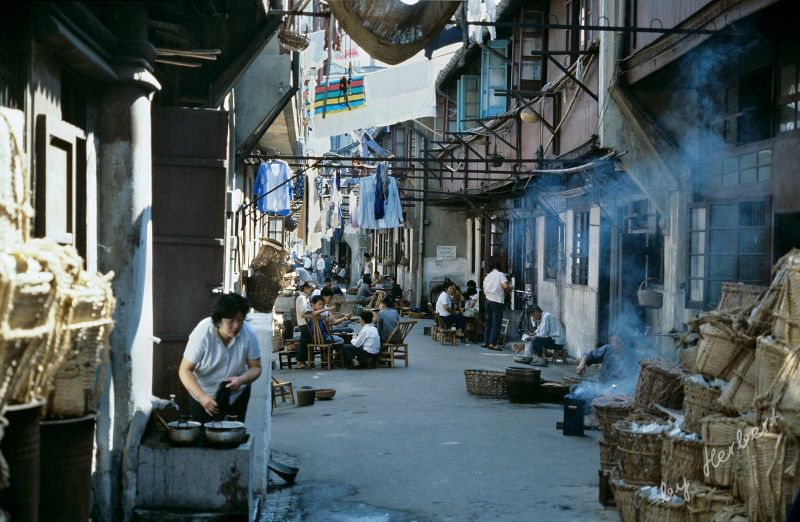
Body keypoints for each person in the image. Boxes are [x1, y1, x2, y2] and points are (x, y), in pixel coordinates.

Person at [178, 293, 262, 423]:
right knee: (202, 438)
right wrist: (202, 397)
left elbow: (256, 367)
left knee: (233, 437)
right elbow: (184, 370)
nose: (236, 325)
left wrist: (241, 379)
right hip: (202, 393)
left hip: (236, 394)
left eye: (240, 319)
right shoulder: (203, 333)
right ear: (218, 320)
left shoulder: (249, 334)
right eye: (230, 320)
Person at [482, 260, 509, 351]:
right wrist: (510, 288)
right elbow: (505, 286)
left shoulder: (488, 276)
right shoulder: (500, 274)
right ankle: (493, 344)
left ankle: (486, 342)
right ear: (499, 266)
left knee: (488, 321)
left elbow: (484, 289)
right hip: (497, 300)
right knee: (496, 323)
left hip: (488, 300)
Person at [294, 281, 316, 369]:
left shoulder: (304, 297)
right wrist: (313, 311)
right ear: (306, 288)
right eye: (311, 290)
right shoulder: (302, 297)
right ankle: (299, 362)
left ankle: (304, 361)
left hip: (304, 322)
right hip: (304, 322)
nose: (312, 292)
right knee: (303, 343)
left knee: (305, 342)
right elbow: (303, 311)